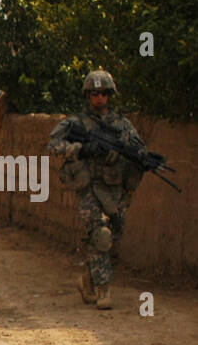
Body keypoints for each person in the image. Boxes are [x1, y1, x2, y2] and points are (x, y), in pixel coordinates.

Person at [48, 69, 147, 310]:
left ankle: (87, 280)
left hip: (114, 188)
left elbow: (138, 149)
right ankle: (104, 291)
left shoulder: (122, 125)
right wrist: (80, 149)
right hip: (88, 187)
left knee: (112, 236)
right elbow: (53, 145)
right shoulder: (76, 123)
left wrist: (134, 154)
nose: (99, 98)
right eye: (94, 93)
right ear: (87, 95)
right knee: (100, 234)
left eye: (103, 93)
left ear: (110, 95)